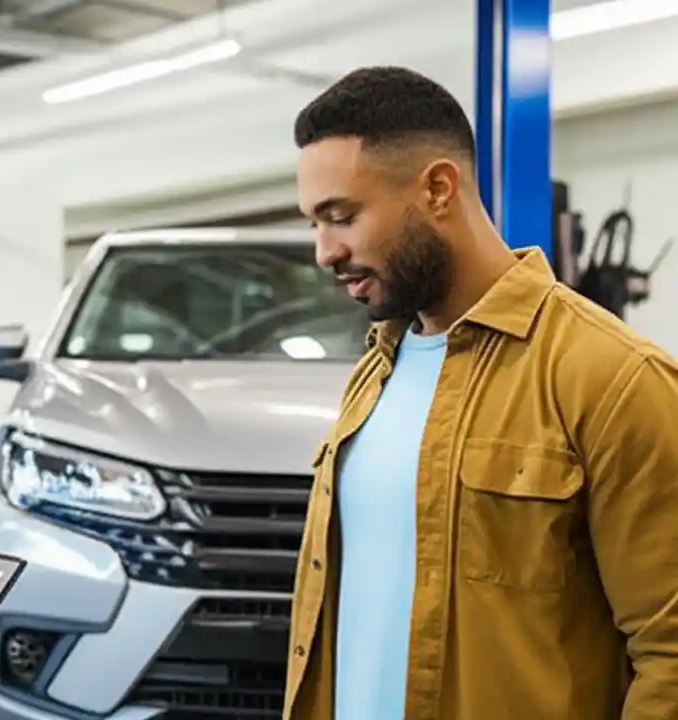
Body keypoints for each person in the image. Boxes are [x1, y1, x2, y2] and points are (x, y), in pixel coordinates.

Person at [285, 66, 678, 720]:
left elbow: (670, 649)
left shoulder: (614, 380)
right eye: (314, 225)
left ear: (439, 188)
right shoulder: (374, 373)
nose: (325, 252)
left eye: (342, 216)